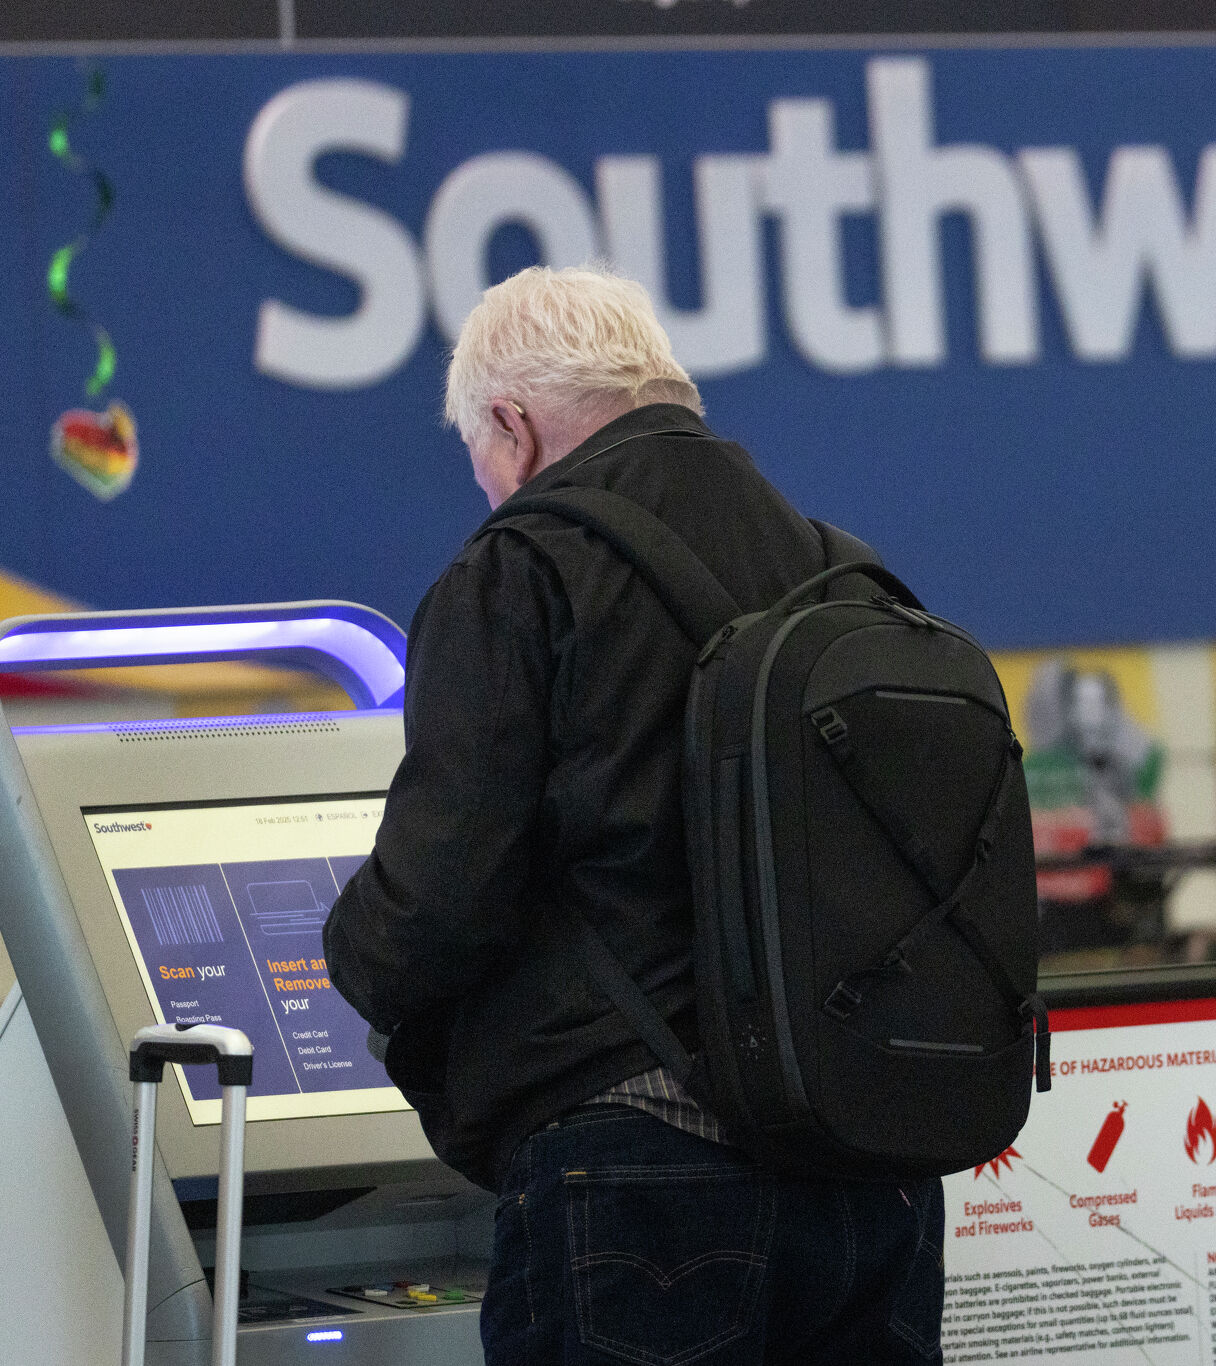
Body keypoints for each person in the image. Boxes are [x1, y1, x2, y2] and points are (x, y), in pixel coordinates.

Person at [324, 265, 944, 1365]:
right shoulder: (841, 574)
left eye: (482, 464)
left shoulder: (521, 568)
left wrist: (347, 956)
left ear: (512, 426)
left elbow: (439, 894)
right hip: (867, 1166)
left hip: (640, 1169)